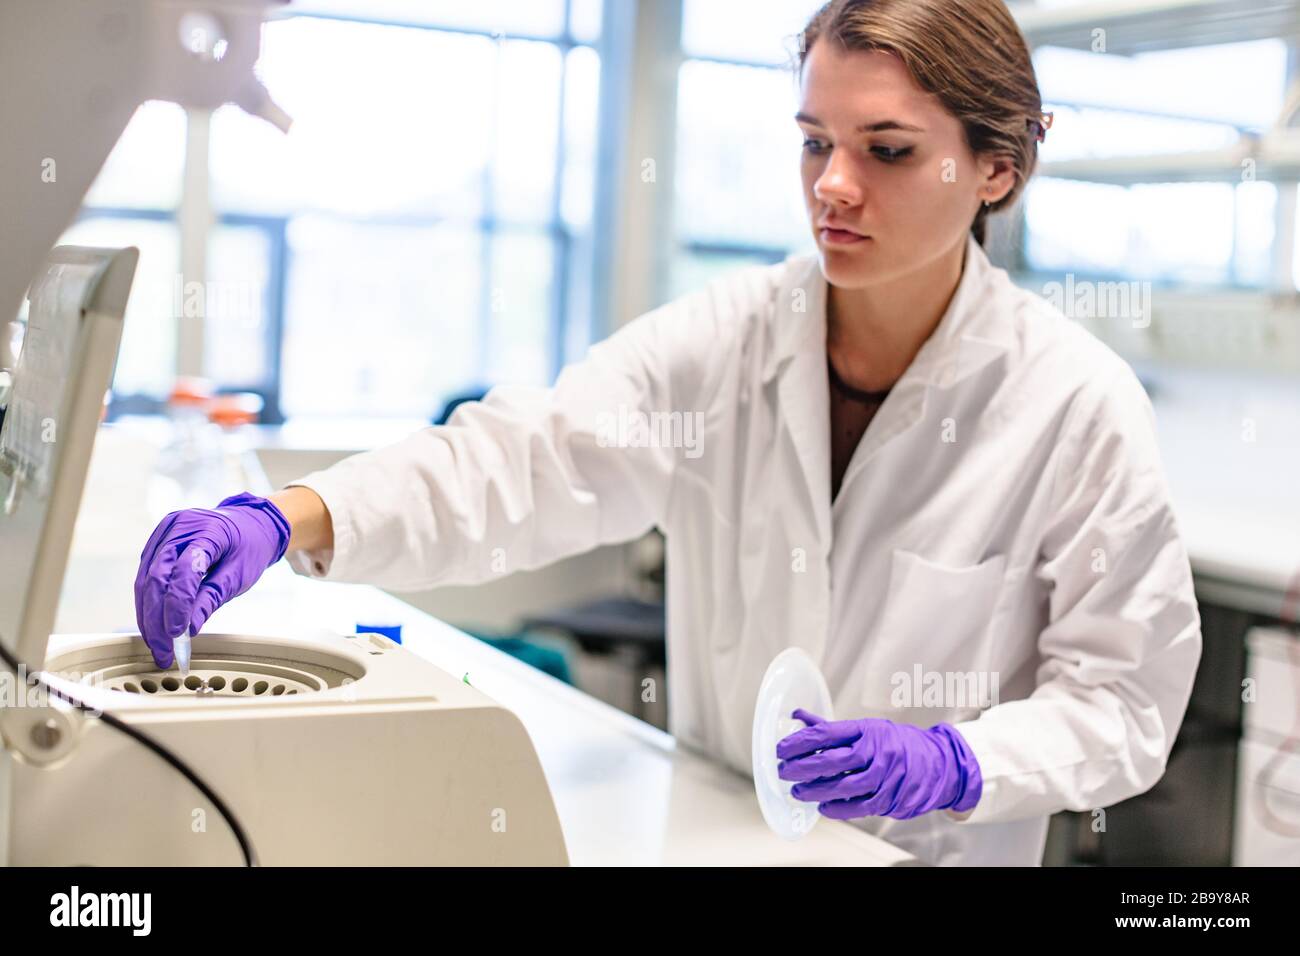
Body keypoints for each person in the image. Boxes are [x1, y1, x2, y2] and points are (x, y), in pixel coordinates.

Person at [134, 0, 1201, 866]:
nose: (832, 183)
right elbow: (526, 457)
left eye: (884, 148)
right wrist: (284, 516)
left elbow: (1121, 700)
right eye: (814, 141)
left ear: (996, 169)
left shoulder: (1073, 406)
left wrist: (959, 761)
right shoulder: (730, 340)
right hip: (717, 835)